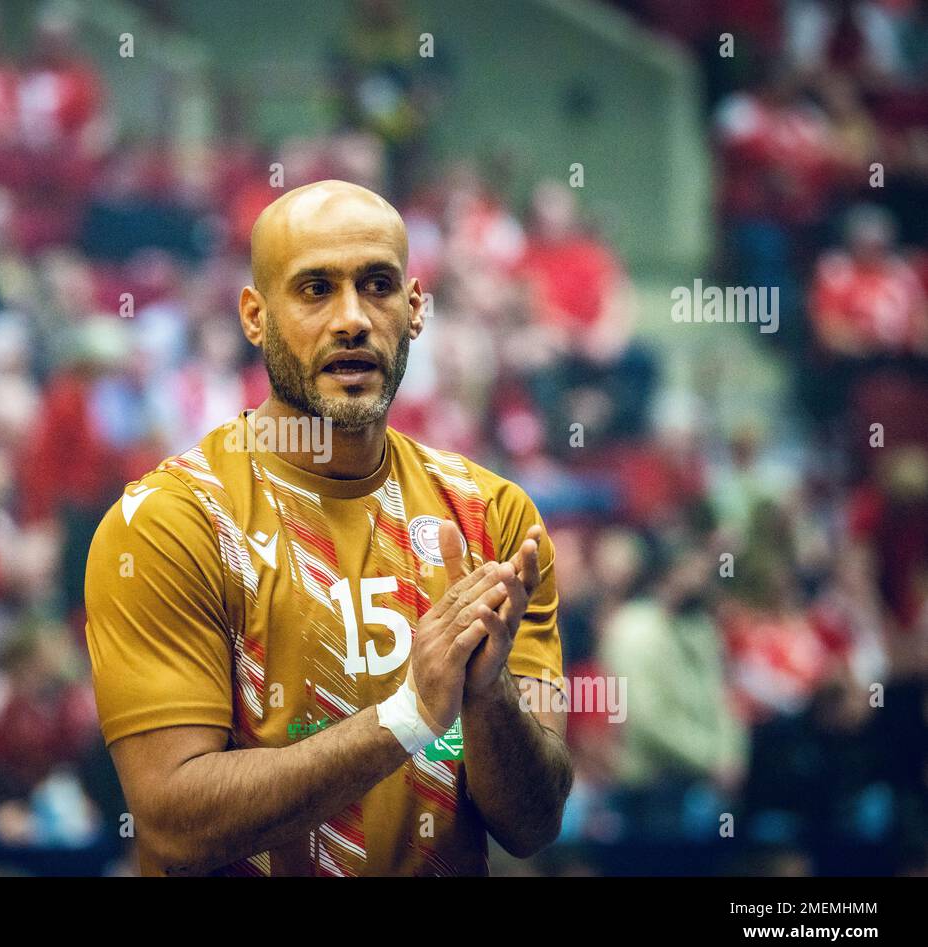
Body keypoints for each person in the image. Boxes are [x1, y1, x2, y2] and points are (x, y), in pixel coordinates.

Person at [84, 180, 572, 876]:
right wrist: (411, 715)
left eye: (376, 285)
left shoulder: (497, 518)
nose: (352, 319)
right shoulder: (168, 524)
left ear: (414, 308)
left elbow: (534, 824)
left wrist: (488, 697)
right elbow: (172, 824)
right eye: (315, 289)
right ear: (254, 317)